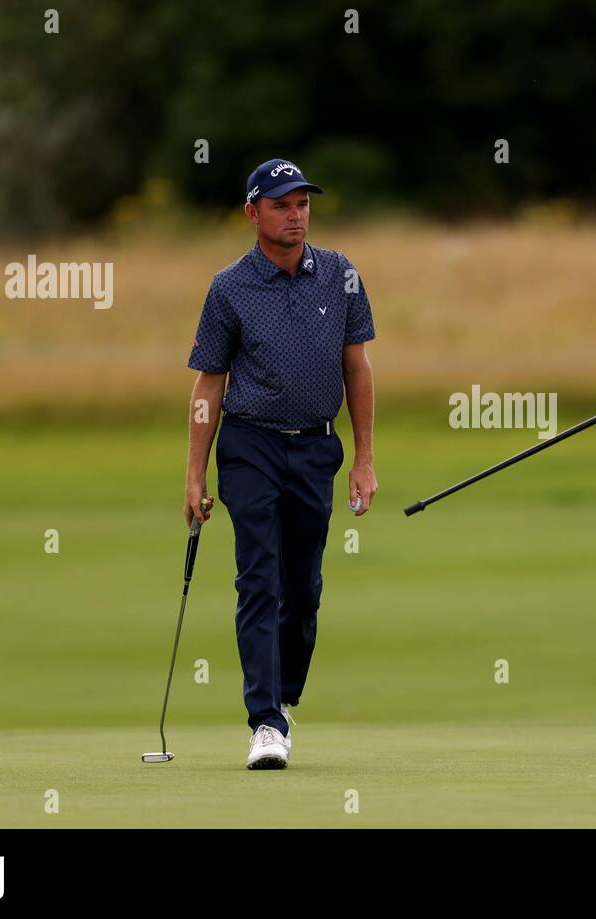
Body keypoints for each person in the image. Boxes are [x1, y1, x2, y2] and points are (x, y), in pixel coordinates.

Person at [184, 158, 377, 769]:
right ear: (253, 213)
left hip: (316, 446)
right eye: (281, 205)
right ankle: (264, 720)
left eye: (302, 204)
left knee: (305, 588)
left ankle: (284, 697)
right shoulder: (229, 287)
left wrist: (364, 459)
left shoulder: (340, 275)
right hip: (250, 446)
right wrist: (195, 473)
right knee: (258, 579)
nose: (295, 215)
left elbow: (357, 369)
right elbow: (208, 386)